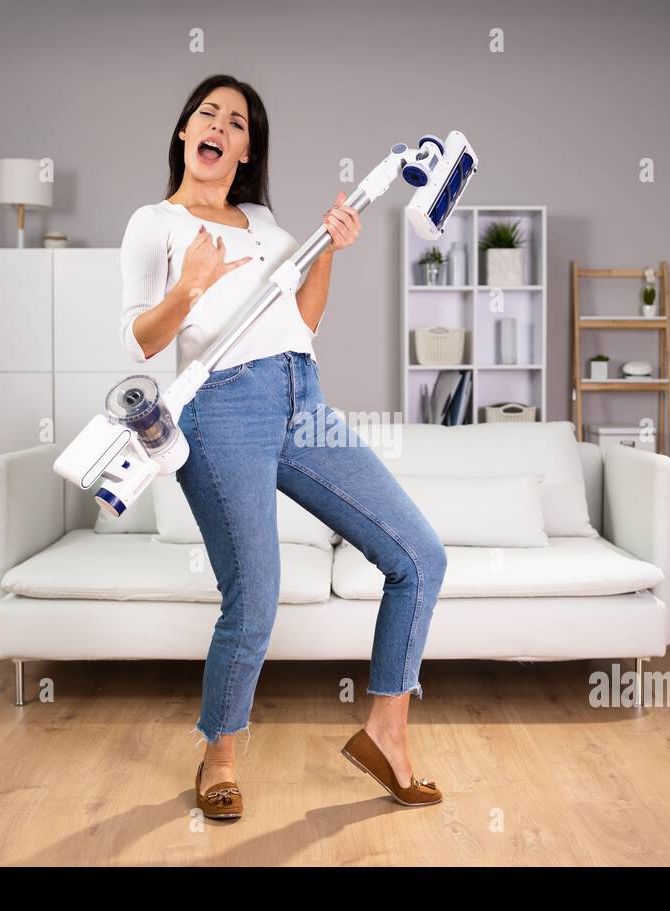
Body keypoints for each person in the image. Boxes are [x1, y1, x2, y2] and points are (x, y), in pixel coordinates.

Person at [120, 74, 447, 819]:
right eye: (209, 114)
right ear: (184, 132)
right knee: (255, 596)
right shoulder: (155, 224)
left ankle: (387, 734)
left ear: (245, 150)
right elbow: (141, 338)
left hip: (304, 396)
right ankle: (219, 756)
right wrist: (190, 286)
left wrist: (325, 249)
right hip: (221, 408)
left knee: (419, 556)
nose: (219, 128)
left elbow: (303, 320)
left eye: (236, 123)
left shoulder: (263, 220)